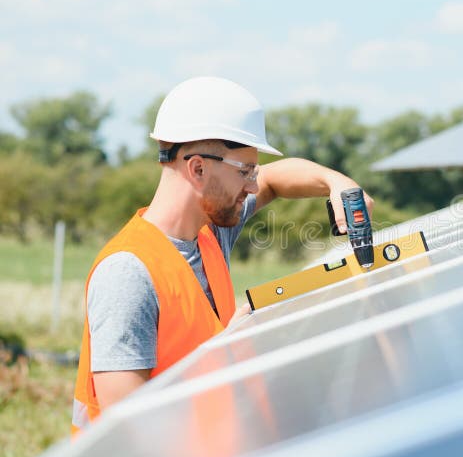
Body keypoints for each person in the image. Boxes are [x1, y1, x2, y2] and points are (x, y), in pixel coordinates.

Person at [71, 76, 373, 434]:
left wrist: (336, 183)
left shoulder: (211, 231)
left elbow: (275, 180)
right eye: (245, 172)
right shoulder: (128, 272)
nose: (251, 186)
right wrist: (226, 351)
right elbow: (128, 427)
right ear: (198, 168)